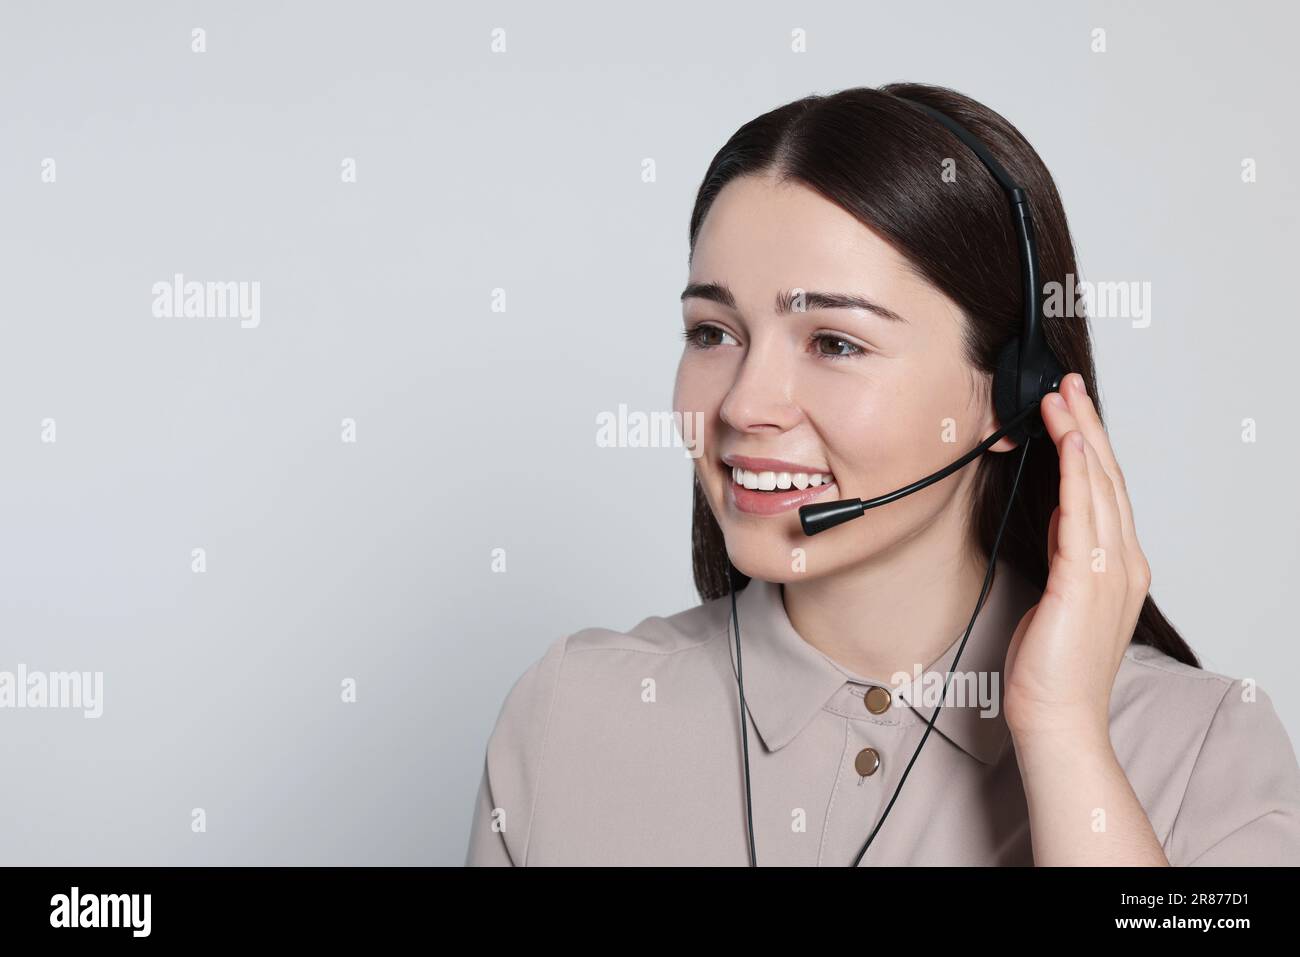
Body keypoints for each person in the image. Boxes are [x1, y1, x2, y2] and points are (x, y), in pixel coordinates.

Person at [464, 82, 1300, 866]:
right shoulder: (568, 713)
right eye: (713, 332)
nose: (746, 405)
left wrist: (1063, 730)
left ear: (1012, 399)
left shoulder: (1202, 748)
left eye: (835, 342)